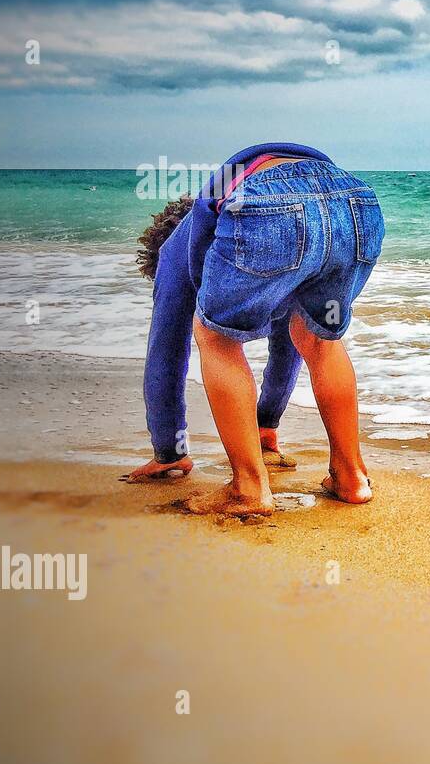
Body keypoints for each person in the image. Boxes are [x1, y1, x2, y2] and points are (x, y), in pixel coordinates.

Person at [125, 143, 384, 516]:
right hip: (354, 202)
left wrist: (169, 451)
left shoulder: (174, 250)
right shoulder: (227, 194)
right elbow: (287, 344)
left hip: (270, 205)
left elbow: (166, 350)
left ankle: (247, 488)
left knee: (216, 338)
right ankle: (351, 477)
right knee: (317, 337)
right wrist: (266, 424)